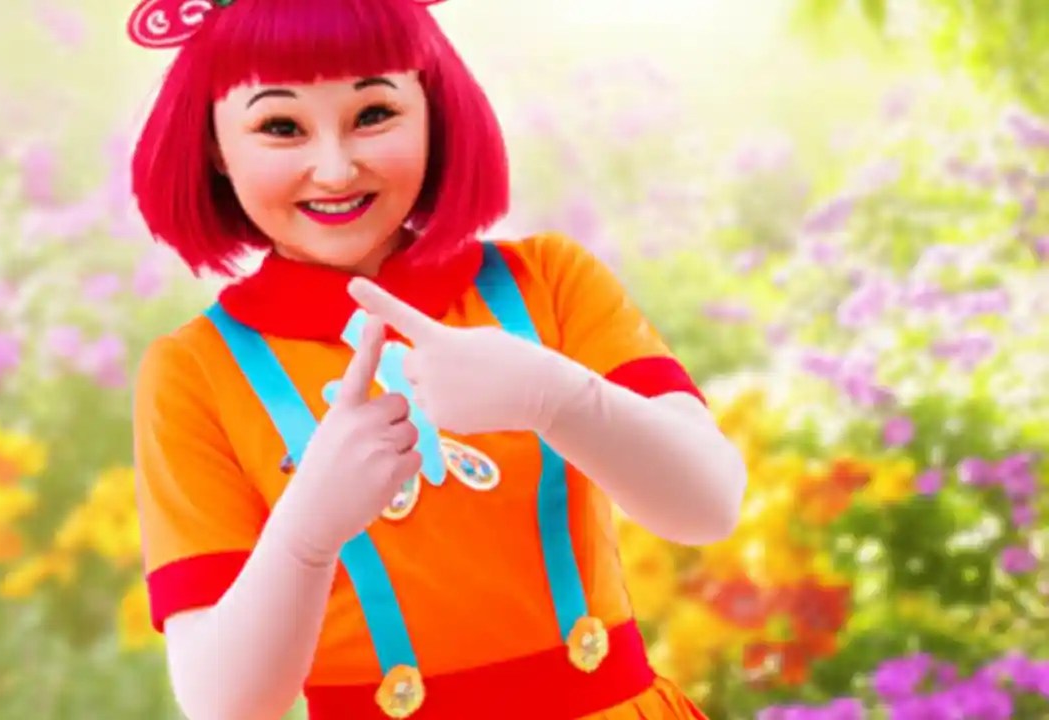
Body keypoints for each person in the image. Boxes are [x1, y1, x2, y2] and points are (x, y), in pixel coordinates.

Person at [126, 0, 748, 717]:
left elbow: (708, 505)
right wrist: (306, 533)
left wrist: (560, 398)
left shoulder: (547, 281)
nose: (334, 167)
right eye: (280, 126)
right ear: (212, 146)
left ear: (434, 111)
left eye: (374, 114)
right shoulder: (193, 371)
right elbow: (224, 705)